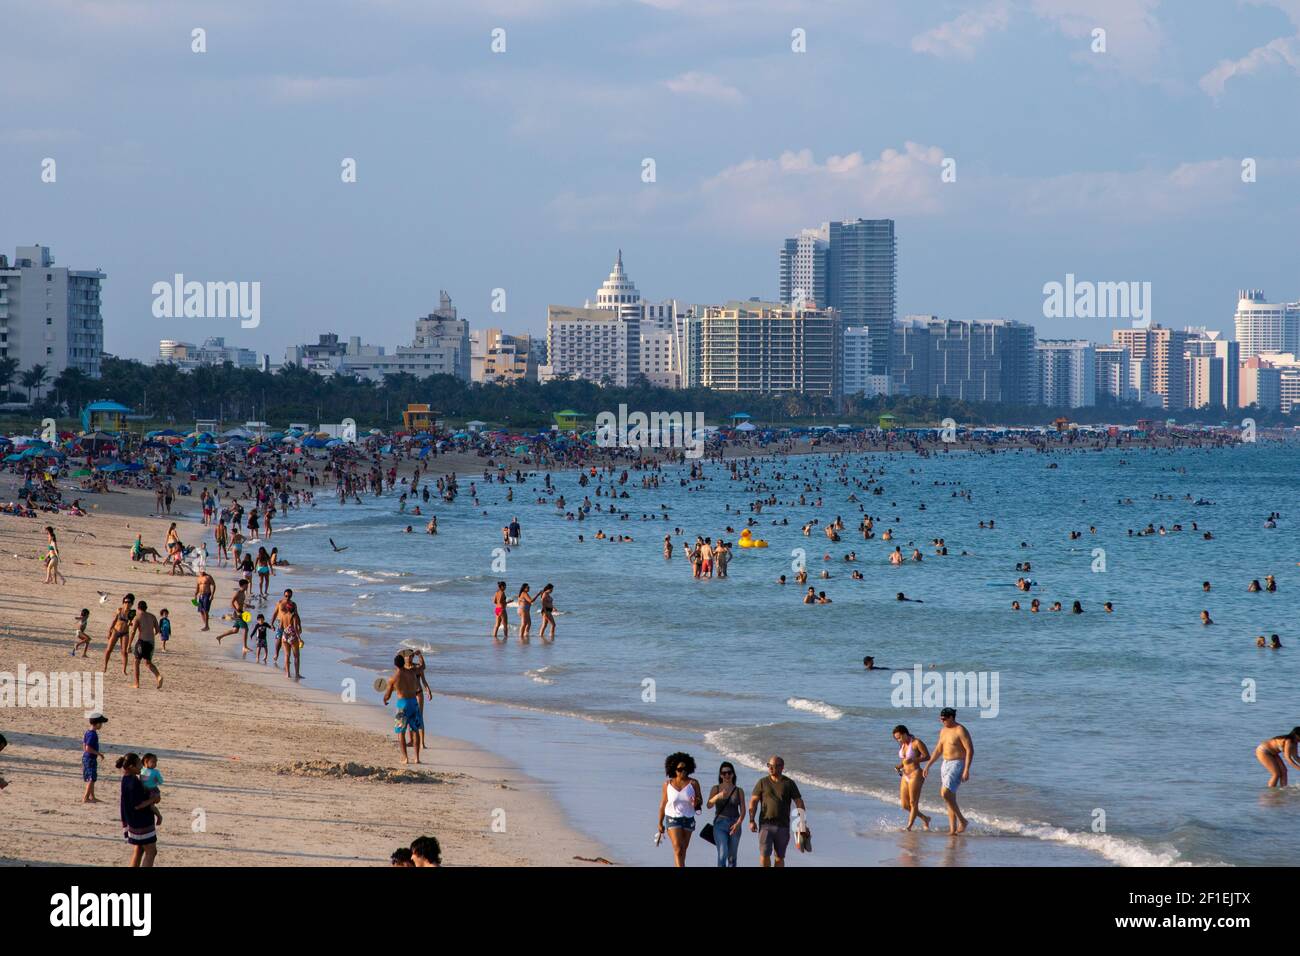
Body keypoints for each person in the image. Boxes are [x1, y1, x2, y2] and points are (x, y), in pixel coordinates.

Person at [748, 755, 806, 867]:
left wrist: (802, 823)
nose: (770, 768)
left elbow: (799, 802)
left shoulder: (789, 783)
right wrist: (751, 820)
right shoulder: (762, 782)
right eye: (769, 765)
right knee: (764, 855)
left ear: (781, 767)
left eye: (773, 766)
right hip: (765, 825)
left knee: (779, 857)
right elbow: (753, 802)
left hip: (782, 826)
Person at [922, 708, 973, 833]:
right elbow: (939, 749)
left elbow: (970, 750)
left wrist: (967, 769)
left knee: (945, 792)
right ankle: (953, 830)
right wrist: (928, 765)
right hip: (945, 764)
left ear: (951, 717)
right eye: (941, 718)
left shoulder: (960, 730)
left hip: (957, 763)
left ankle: (963, 821)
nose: (942, 721)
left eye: (944, 719)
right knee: (949, 798)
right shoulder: (943, 730)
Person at [657, 752, 703, 867]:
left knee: (682, 851)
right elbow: (663, 803)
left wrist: (696, 801)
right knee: (677, 848)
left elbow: (700, 800)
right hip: (672, 818)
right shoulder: (667, 784)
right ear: (674, 769)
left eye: (685, 768)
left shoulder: (694, 783)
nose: (683, 771)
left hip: (688, 819)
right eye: (680, 769)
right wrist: (660, 822)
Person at [117, 752, 160, 867]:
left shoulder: (126, 779)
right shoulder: (132, 783)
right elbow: (138, 805)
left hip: (132, 821)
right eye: (139, 765)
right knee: (151, 852)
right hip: (141, 822)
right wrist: (154, 799)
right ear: (131, 767)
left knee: (139, 850)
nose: (142, 767)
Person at [384, 653, 424, 764]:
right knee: (415, 730)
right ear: (404, 662)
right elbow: (422, 667)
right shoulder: (412, 672)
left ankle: (405, 758)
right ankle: (417, 758)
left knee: (400, 732)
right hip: (413, 702)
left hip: (402, 704)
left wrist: (385, 699)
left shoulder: (393, 678)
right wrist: (420, 656)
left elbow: (387, 695)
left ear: (395, 665)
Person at [892, 725, 932, 831]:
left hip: (916, 774)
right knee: (905, 805)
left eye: (899, 737)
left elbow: (927, 756)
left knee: (913, 802)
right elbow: (905, 761)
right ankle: (925, 818)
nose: (898, 740)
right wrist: (899, 766)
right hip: (905, 775)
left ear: (905, 734)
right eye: (896, 739)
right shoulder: (902, 745)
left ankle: (909, 826)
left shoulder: (916, 742)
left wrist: (914, 760)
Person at [707, 762, 745, 867]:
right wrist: (718, 796)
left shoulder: (739, 791)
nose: (727, 775)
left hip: (735, 824)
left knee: (732, 857)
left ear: (733, 774)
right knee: (722, 854)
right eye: (724, 773)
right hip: (720, 824)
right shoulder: (716, 788)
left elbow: (743, 810)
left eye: (729, 772)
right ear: (720, 775)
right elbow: (709, 805)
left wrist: (738, 823)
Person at [128, 600, 163, 689]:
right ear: (146, 608)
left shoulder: (137, 617)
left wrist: (129, 644)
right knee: (148, 663)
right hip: (151, 642)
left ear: (138, 608)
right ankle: (158, 676)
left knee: (136, 661)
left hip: (142, 642)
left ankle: (136, 683)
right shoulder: (152, 616)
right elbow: (158, 630)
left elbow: (133, 632)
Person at [103, 594, 135, 675]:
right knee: (108, 650)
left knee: (124, 652)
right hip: (116, 631)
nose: (127, 604)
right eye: (125, 602)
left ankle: (124, 670)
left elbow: (132, 623)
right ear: (123, 602)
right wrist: (109, 631)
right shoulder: (119, 610)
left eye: (129, 602)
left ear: (132, 604)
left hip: (125, 632)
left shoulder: (132, 613)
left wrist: (131, 623)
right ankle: (105, 666)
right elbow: (114, 620)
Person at [82, 713, 107, 803]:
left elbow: (84, 746)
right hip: (90, 758)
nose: (101, 725)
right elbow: (88, 748)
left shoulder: (87, 732)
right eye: (101, 723)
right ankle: (86, 797)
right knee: (91, 778)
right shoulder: (92, 735)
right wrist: (98, 753)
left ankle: (92, 797)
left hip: (86, 757)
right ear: (97, 723)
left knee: (92, 778)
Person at [141, 753, 164, 824]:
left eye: (156, 762)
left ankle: (159, 816)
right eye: (153, 762)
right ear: (146, 761)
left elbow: (161, 781)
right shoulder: (141, 770)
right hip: (144, 790)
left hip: (153, 791)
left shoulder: (155, 772)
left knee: (151, 805)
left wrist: (156, 780)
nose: (155, 764)